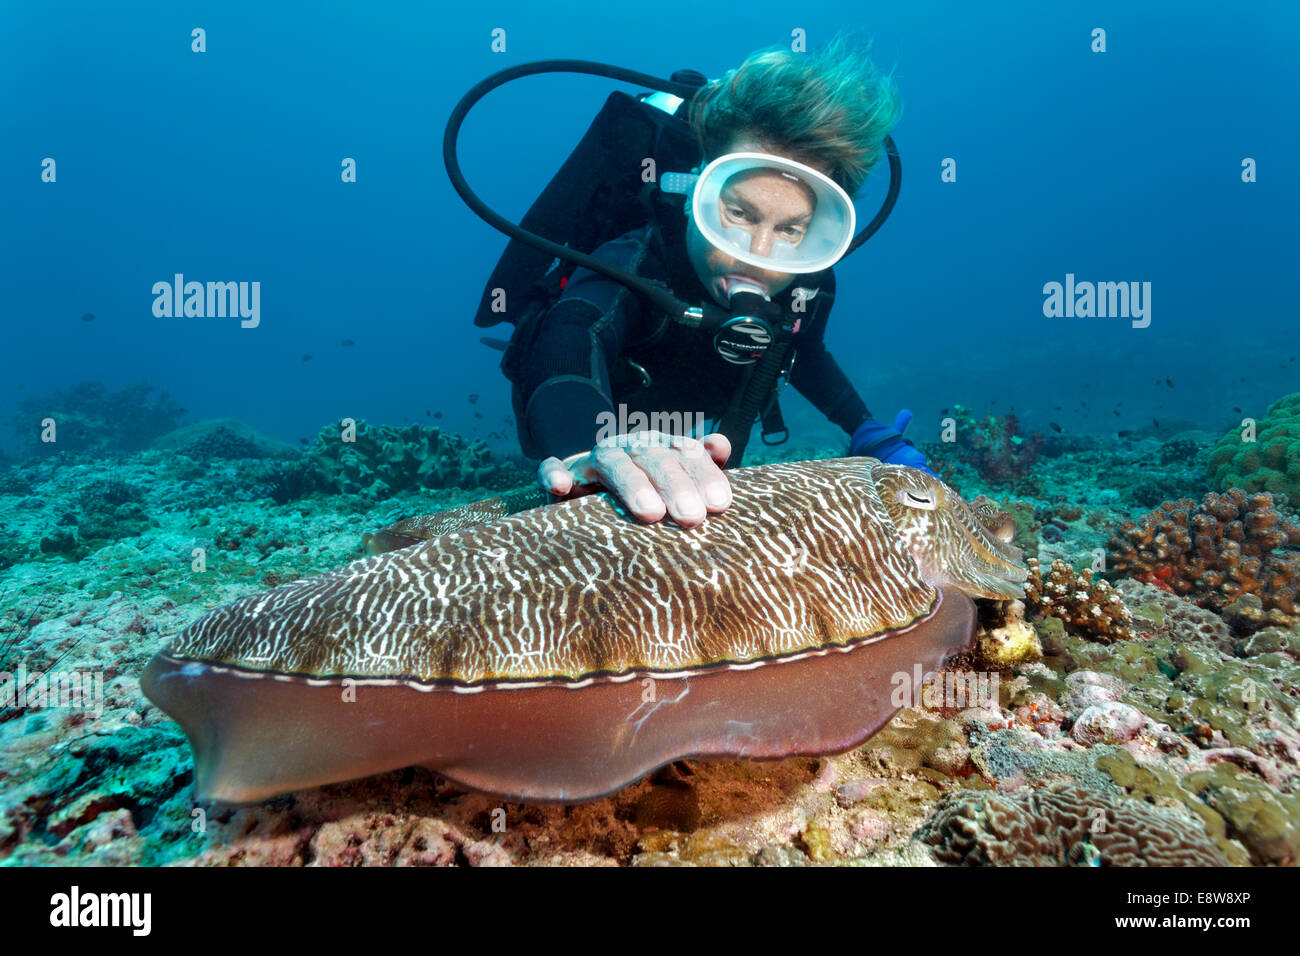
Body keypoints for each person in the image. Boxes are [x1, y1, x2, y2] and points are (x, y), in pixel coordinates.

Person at [506, 37, 935, 527]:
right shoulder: (635, 259)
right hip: (604, 418)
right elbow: (569, 337)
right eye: (738, 213)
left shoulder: (804, 288)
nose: (758, 252)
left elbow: (805, 355)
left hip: (682, 432)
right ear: (696, 191)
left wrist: (868, 431)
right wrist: (591, 449)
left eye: (791, 229)